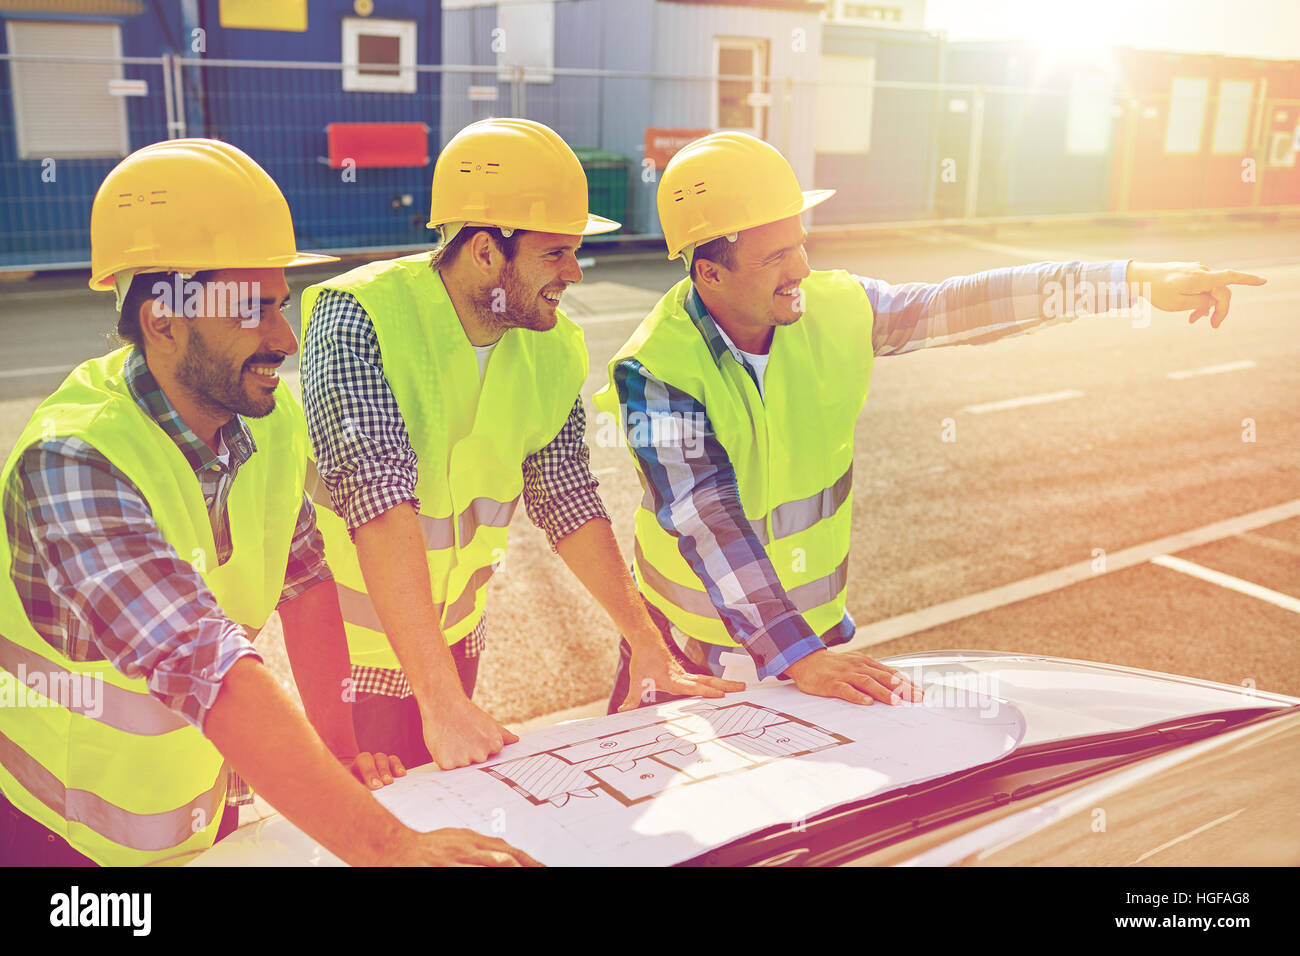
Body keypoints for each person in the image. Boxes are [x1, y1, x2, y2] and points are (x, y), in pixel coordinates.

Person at [593, 131, 1266, 713]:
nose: (802, 267)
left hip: (812, 644)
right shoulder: (656, 369)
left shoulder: (838, 307)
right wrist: (795, 654)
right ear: (709, 272)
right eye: (776, 257)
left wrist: (1134, 280)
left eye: (800, 243)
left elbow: (966, 305)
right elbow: (706, 516)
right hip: (691, 653)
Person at [0, 139, 537, 866]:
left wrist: (343, 754)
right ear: (163, 319)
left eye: (281, 304)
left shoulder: (270, 425)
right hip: (67, 837)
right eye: (251, 310)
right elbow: (201, 659)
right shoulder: (72, 461)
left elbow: (305, 579)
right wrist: (388, 847)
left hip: (204, 810)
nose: (286, 338)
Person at [299, 118, 742, 773]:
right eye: (555, 253)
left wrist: (647, 644)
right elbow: (377, 497)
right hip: (348, 656)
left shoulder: (552, 345)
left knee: (445, 817)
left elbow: (566, 497)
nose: (574, 273)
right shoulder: (358, 316)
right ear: (485, 251)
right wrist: (440, 702)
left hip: (451, 641)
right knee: (366, 831)